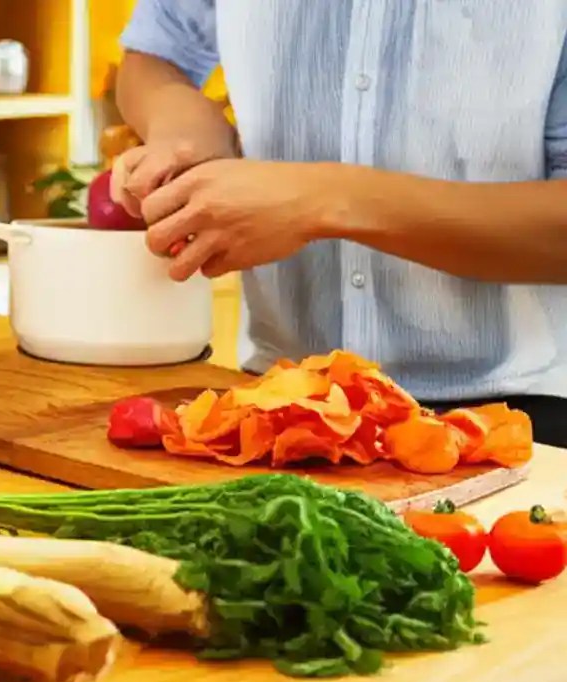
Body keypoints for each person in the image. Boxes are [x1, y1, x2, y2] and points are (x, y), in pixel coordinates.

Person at [110, 2, 567, 448]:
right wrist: (184, 126)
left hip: (522, 419)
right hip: (280, 402)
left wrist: (325, 201)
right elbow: (156, 53)